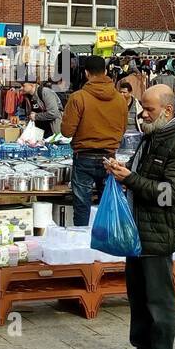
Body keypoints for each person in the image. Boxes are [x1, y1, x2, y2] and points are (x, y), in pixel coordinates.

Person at [104, 85, 175, 349]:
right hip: (138, 230)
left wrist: (131, 179)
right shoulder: (150, 138)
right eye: (142, 108)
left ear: (167, 111)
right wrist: (123, 170)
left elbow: (170, 193)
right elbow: (143, 176)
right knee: (138, 296)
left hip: (159, 232)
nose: (142, 113)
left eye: (149, 109)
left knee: (158, 301)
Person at [61, 55, 128, 226]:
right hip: (109, 158)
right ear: (105, 72)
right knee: (109, 206)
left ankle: (83, 243)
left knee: (82, 206)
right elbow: (123, 129)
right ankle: (109, 243)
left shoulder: (78, 97)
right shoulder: (120, 99)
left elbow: (67, 131)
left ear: (85, 73)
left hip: (84, 157)